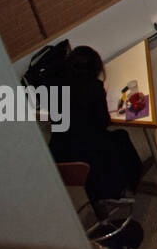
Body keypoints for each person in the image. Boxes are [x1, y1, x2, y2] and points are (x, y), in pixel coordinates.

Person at [47, 46, 143, 205]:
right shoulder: (94, 88)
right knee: (120, 138)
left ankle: (108, 194)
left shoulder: (56, 86)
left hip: (59, 154)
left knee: (114, 138)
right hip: (85, 156)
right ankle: (121, 189)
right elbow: (103, 123)